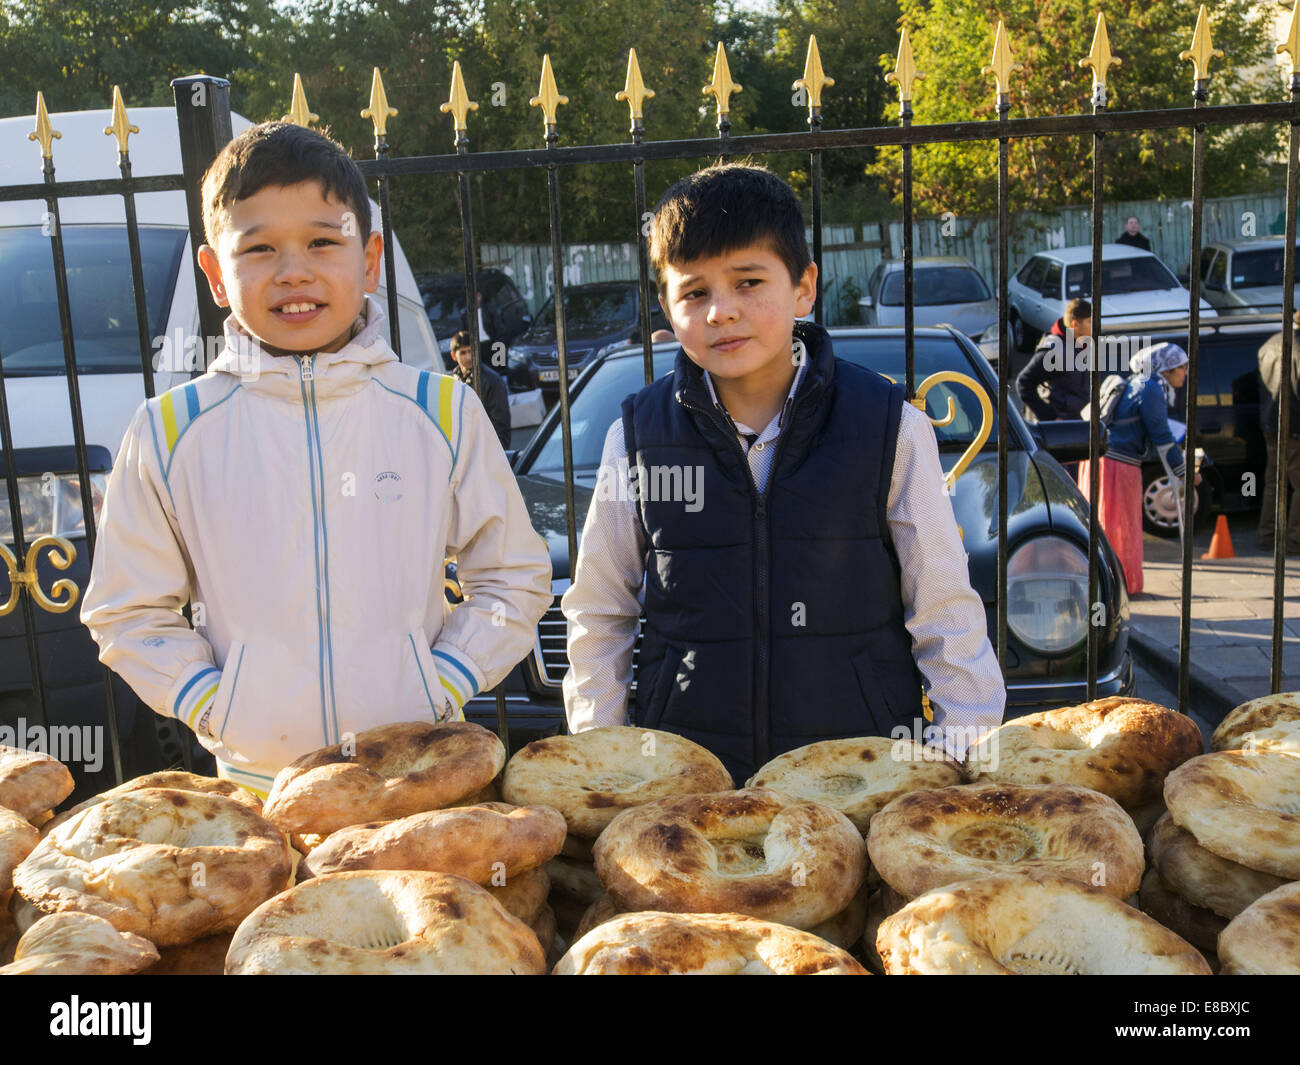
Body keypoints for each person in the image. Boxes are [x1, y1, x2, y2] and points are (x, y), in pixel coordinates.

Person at [79, 122, 551, 796]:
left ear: (369, 259)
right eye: (260, 247)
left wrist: (441, 681)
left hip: (411, 780)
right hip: (256, 790)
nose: (293, 269)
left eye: (322, 242)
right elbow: (126, 610)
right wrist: (213, 703)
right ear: (216, 273)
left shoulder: (441, 411)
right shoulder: (169, 430)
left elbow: (514, 577)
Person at [560, 163, 1004, 782]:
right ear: (666, 304)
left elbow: (944, 608)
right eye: (695, 292)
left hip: (858, 779)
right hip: (694, 789)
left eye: (747, 282)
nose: (721, 311)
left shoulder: (888, 427)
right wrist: (603, 761)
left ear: (804, 287)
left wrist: (963, 756)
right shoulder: (635, 439)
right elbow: (601, 612)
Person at [1076, 343, 1197, 596]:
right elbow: (1162, 436)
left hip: (1104, 461)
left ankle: (1103, 584)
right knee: (1120, 527)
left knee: (1103, 526)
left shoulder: (1139, 383)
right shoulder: (1151, 388)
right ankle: (1118, 586)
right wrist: (1184, 472)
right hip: (1117, 466)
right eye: (1183, 367)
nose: (1186, 373)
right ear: (1167, 368)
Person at [1257, 309, 1300, 553]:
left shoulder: (1271, 343)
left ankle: (1267, 536)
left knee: (1274, 483)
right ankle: (1294, 541)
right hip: (1294, 427)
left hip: (1272, 424)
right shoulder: (1297, 348)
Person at [1015, 298, 1093, 422]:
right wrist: (1051, 418)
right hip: (1057, 432)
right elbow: (1023, 383)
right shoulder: (1054, 350)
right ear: (1075, 324)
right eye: (1090, 322)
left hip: (1077, 424)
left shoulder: (1080, 345)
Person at [450, 328, 512, 450]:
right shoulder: (453, 379)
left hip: (486, 450)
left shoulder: (492, 381)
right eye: (463, 353)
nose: (468, 357)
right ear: (453, 356)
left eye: (470, 351)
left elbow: (500, 425)